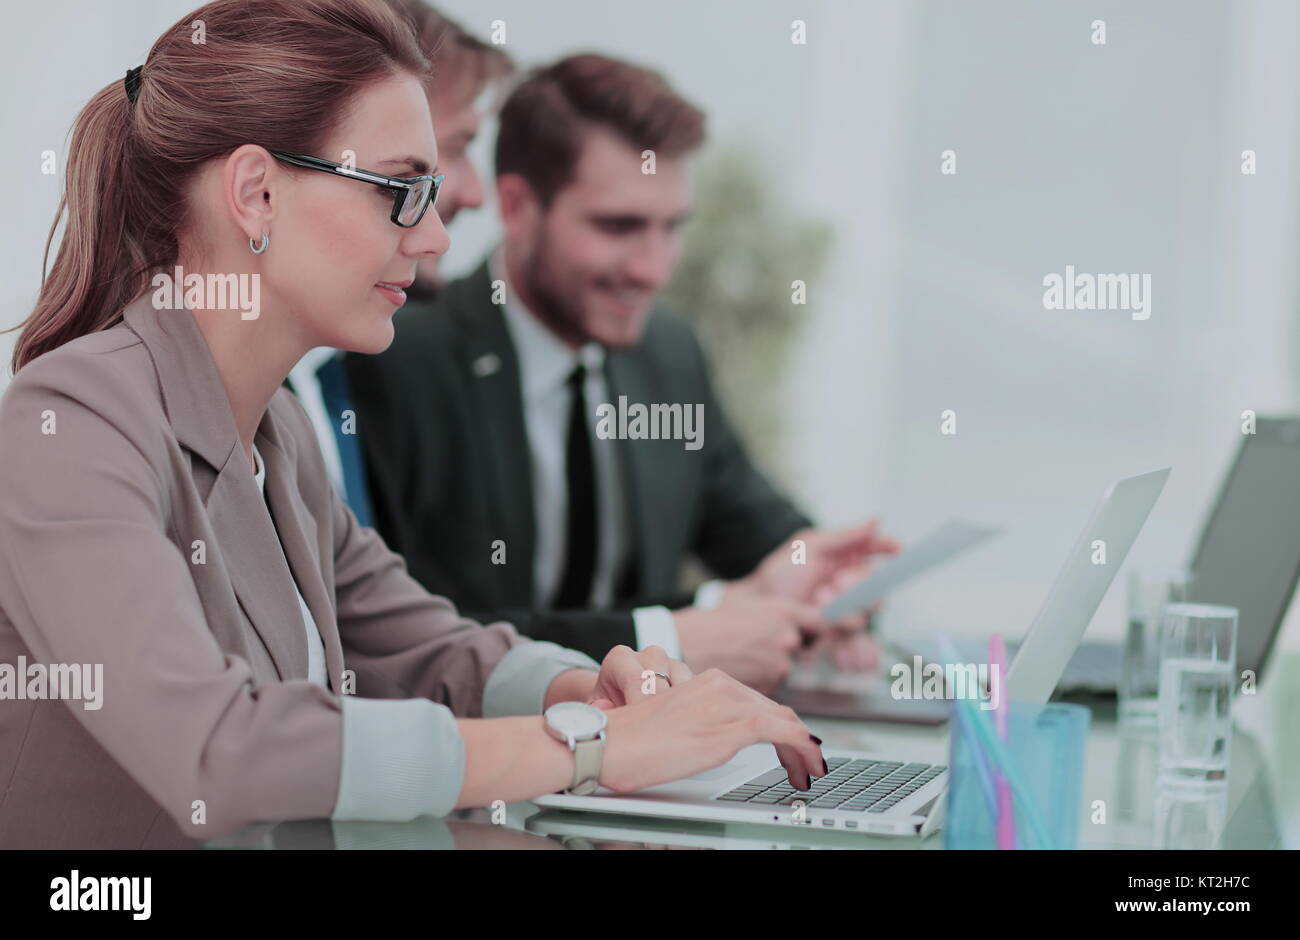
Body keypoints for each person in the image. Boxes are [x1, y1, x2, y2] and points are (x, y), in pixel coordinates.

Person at [0, 0, 824, 850]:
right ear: (256, 192)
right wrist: (592, 750)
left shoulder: (276, 430)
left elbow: (423, 645)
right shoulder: (73, 422)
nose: (433, 236)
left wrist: (583, 690)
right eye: (401, 191)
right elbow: (219, 748)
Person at [348, 54, 898, 691]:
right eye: (620, 226)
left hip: (648, 764)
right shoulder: (400, 358)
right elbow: (414, 641)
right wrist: (669, 635)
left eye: (671, 228)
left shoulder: (667, 353)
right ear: (518, 207)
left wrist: (827, 584)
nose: (653, 269)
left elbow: (756, 530)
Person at [284, 0, 508, 527]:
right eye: (412, 178)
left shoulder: (347, 374)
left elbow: (380, 603)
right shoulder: (131, 417)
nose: (475, 193)